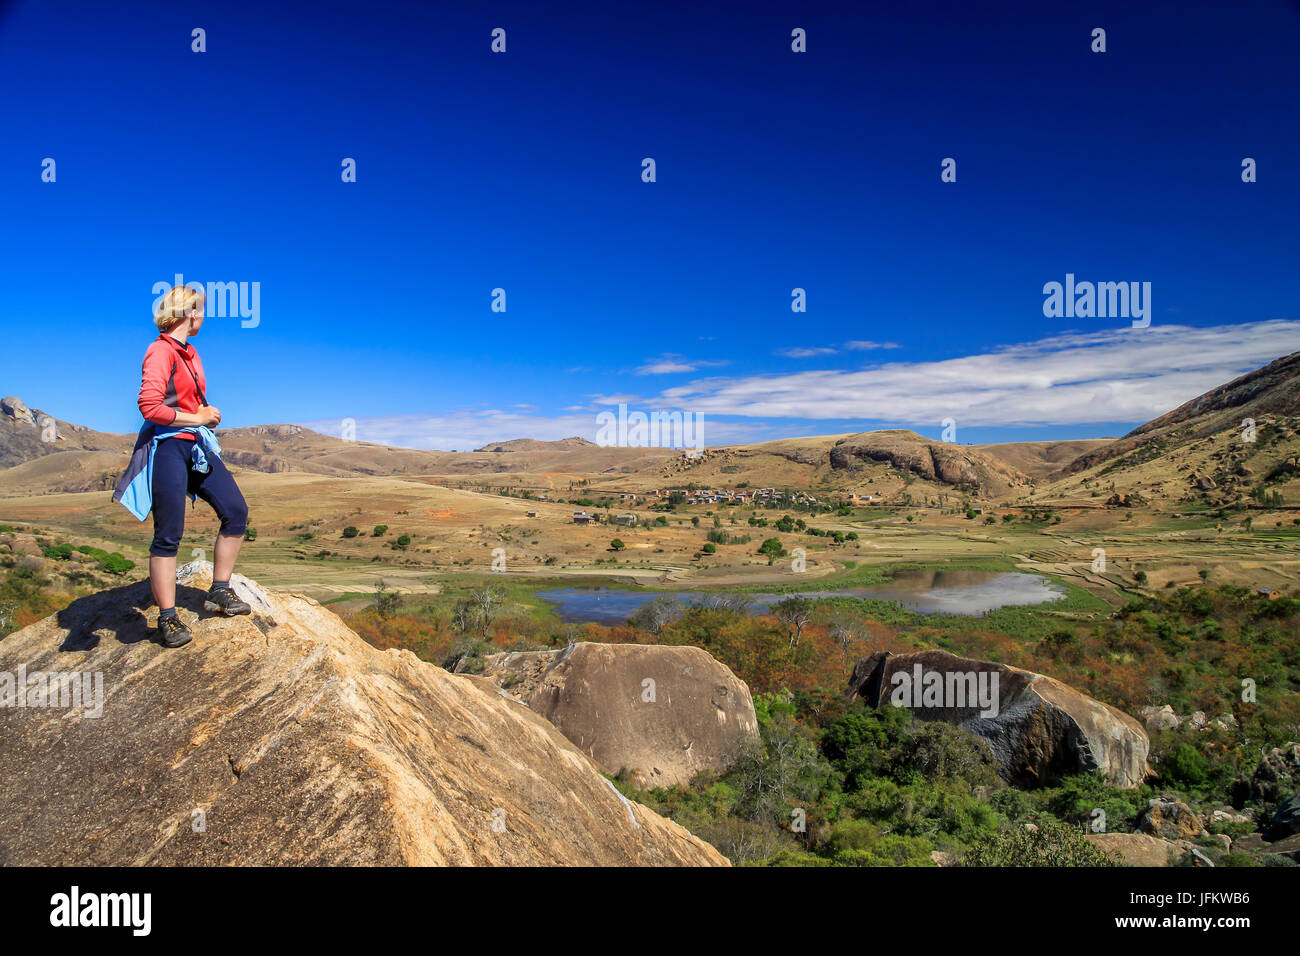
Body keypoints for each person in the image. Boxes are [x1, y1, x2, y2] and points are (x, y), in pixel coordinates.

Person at [112, 284, 251, 648]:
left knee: (235, 510)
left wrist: (204, 417)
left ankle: (220, 590)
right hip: (168, 448)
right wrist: (197, 416)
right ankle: (168, 618)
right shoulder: (159, 351)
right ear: (190, 313)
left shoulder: (192, 354)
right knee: (169, 534)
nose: (203, 318)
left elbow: (190, 407)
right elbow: (150, 407)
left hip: (196, 447)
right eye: (201, 311)